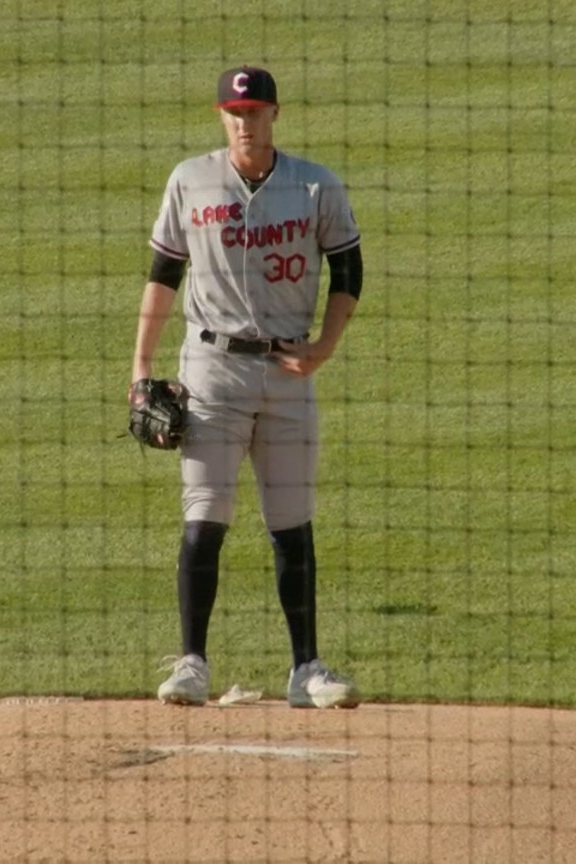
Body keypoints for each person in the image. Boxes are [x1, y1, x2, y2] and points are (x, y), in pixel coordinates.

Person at [130, 66, 365, 709]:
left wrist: (325, 347)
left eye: (255, 111)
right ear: (221, 116)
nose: (244, 122)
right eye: (235, 112)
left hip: (289, 376)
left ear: (274, 115)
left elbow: (349, 269)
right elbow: (162, 275)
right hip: (211, 372)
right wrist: (140, 368)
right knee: (205, 515)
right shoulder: (190, 179)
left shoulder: (315, 184)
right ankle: (192, 664)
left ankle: (307, 669)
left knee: (292, 522)